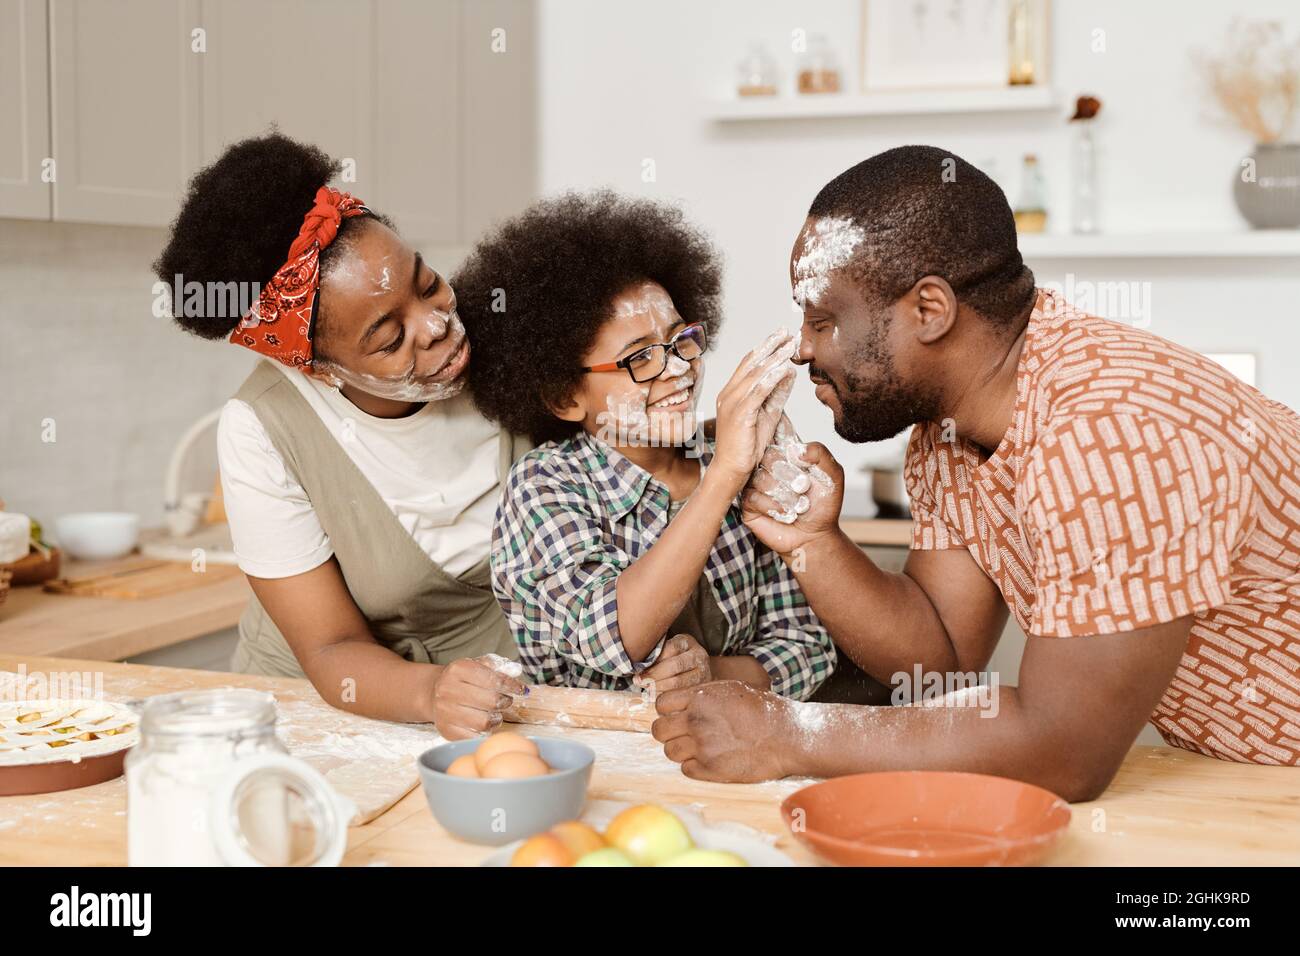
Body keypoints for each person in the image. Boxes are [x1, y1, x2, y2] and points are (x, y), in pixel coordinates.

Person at [652, 145, 1300, 797]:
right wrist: (813, 543)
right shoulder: (948, 435)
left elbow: (1064, 752)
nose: (802, 347)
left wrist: (788, 735)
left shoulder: (1111, 432)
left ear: (929, 311)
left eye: (824, 319)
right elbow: (940, 656)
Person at [155, 133, 525, 738]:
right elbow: (330, 648)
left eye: (427, 283)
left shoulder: (516, 336)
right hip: (329, 717)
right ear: (320, 370)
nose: (437, 326)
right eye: (388, 337)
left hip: (502, 702)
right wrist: (434, 692)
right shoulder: (264, 428)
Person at [454, 191, 835, 699]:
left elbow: (808, 643)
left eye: (681, 341)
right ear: (566, 397)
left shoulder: (740, 456)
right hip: (595, 753)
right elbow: (615, 636)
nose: (678, 369)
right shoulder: (544, 486)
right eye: (640, 359)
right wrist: (723, 477)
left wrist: (714, 675)